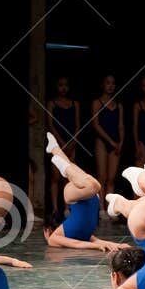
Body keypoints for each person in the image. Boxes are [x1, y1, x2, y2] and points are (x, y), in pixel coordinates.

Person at [40, 133, 129, 251]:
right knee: (86, 179)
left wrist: (96, 246)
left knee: (94, 185)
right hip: (90, 198)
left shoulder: (53, 238)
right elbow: (94, 241)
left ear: (47, 231)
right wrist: (117, 245)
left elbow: (77, 244)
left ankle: (61, 161)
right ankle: (55, 150)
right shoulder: (79, 233)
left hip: (74, 197)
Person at [47, 76, 83, 209]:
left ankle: (67, 207)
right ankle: (56, 208)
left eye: (66, 85)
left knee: (69, 176)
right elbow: (50, 125)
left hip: (71, 144)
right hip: (57, 144)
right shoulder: (52, 103)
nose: (63, 88)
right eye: (60, 85)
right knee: (55, 176)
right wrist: (61, 144)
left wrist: (72, 142)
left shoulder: (75, 103)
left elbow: (78, 125)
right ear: (56, 86)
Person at [91, 74, 125, 192]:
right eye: (108, 83)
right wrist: (110, 141)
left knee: (111, 178)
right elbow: (96, 125)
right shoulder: (97, 103)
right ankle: (101, 208)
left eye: (113, 83)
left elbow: (120, 125)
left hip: (115, 142)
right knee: (102, 177)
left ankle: (109, 207)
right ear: (102, 85)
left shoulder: (118, 105)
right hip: (102, 141)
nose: (110, 86)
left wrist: (120, 142)